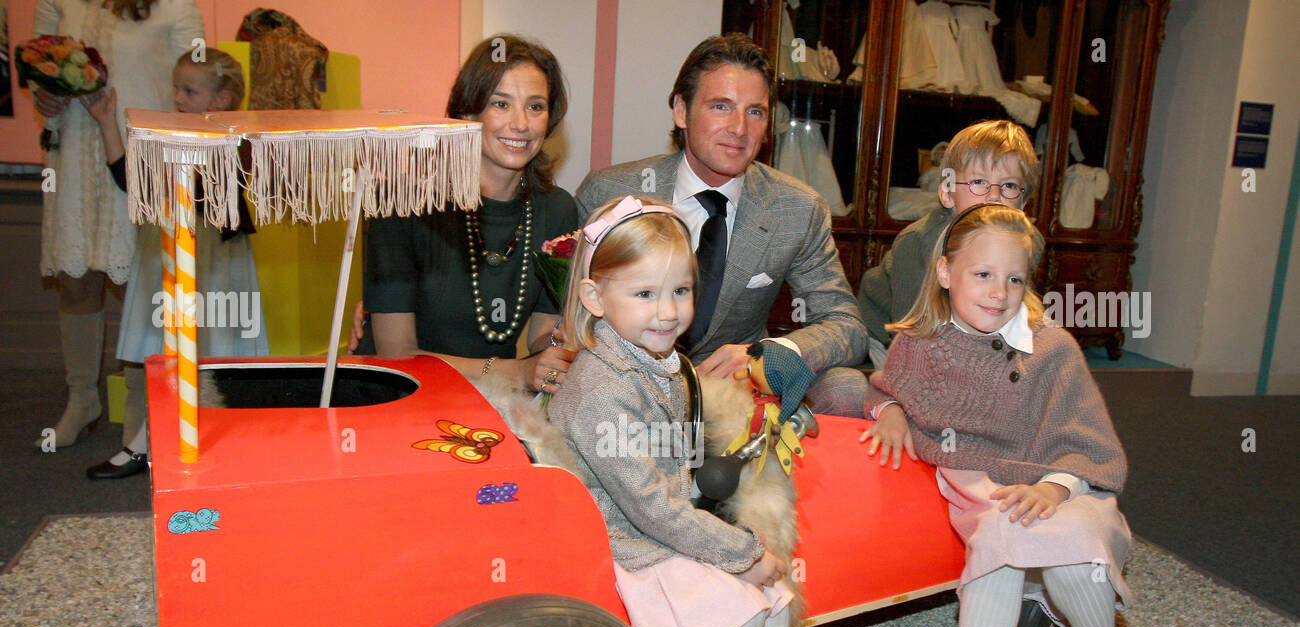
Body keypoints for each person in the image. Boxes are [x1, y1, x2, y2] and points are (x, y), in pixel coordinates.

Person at [549, 195, 846, 627]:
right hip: (620, 542)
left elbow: (677, 475)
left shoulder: (669, 365)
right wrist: (739, 551)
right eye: (645, 294)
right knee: (742, 609)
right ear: (595, 299)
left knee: (775, 600)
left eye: (680, 291)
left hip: (663, 525)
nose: (667, 312)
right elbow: (650, 507)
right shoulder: (601, 388)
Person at [861, 203, 1131, 627]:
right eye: (983, 274)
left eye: (1015, 278)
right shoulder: (919, 343)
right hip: (984, 492)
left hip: (1063, 485)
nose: (999, 292)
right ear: (945, 273)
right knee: (1001, 544)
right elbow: (884, 388)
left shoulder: (1051, 347)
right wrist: (888, 409)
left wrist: (1056, 486)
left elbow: (1089, 441)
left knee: (1072, 554)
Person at [574, 33, 865, 419]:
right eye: (721, 106)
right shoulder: (611, 191)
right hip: (622, 386)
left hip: (732, 392)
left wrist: (767, 355)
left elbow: (846, 324)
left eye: (755, 112)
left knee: (850, 386)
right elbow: (564, 317)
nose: (740, 128)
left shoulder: (797, 209)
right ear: (682, 111)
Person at [80, 49, 267, 478]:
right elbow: (131, 179)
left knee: (211, 349)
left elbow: (220, 191)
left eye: (190, 90)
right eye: (177, 88)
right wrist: (108, 122)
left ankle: (201, 443)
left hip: (210, 255)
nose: (179, 98)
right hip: (170, 242)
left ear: (221, 100)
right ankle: (151, 442)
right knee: (169, 351)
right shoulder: (168, 132)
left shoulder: (235, 139)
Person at [354, 35, 576, 395]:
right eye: (501, 104)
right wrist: (516, 372)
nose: (521, 123)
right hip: (397, 401)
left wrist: (565, 349)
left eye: (535, 107)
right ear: (468, 113)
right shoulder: (402, 205)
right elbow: (397, 355)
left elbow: (543, 337)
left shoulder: (558, 209)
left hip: (493, 404)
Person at [33, 0, 205, 449]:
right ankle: (82, 400)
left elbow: (197, 81)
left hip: (139, 161)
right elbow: (40, 70)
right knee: (75, 279)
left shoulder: (174, 5)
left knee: (142, 286)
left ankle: (142, 408)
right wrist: (44, 96)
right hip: (71, 154)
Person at [858, 119, 1040, 369]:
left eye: (1009, 185)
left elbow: (1017, 311)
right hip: (892, 326)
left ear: (1023, 203)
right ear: (947, 193)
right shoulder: (918, 241)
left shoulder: (1029, 244)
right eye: (978, 183)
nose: (994, 195)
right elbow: (910, 330)